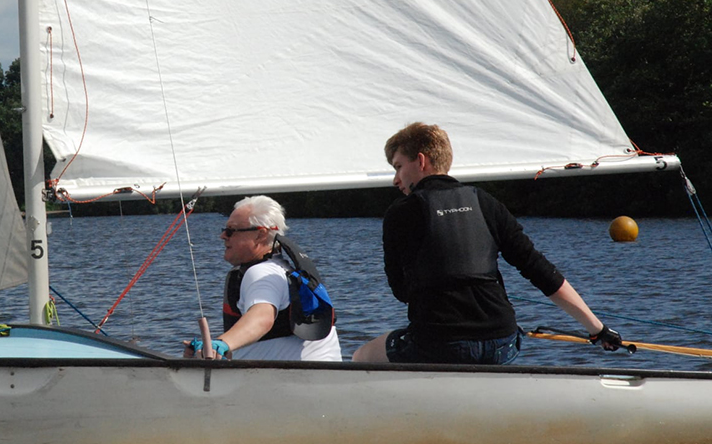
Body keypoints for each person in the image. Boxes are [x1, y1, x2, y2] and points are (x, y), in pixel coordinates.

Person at [352, 122, 624, 364]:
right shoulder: (485, 202)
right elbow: (541, 271)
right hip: (501, 343)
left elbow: (402, 292)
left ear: (420, 161)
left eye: (399, 167)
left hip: (438, 346)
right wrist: (597, 330)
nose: (395, 179)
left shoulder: (401, 213)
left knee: (362, 356)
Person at [187, 195, 342, 361]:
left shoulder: (262, 273)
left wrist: (221, 343)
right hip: (315, 377)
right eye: (224, 230)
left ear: (260, 235)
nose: (223, 236)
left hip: (288, 381)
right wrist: (212, 351)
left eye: (231, 231)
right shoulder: (282, 268)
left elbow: (262, 318)